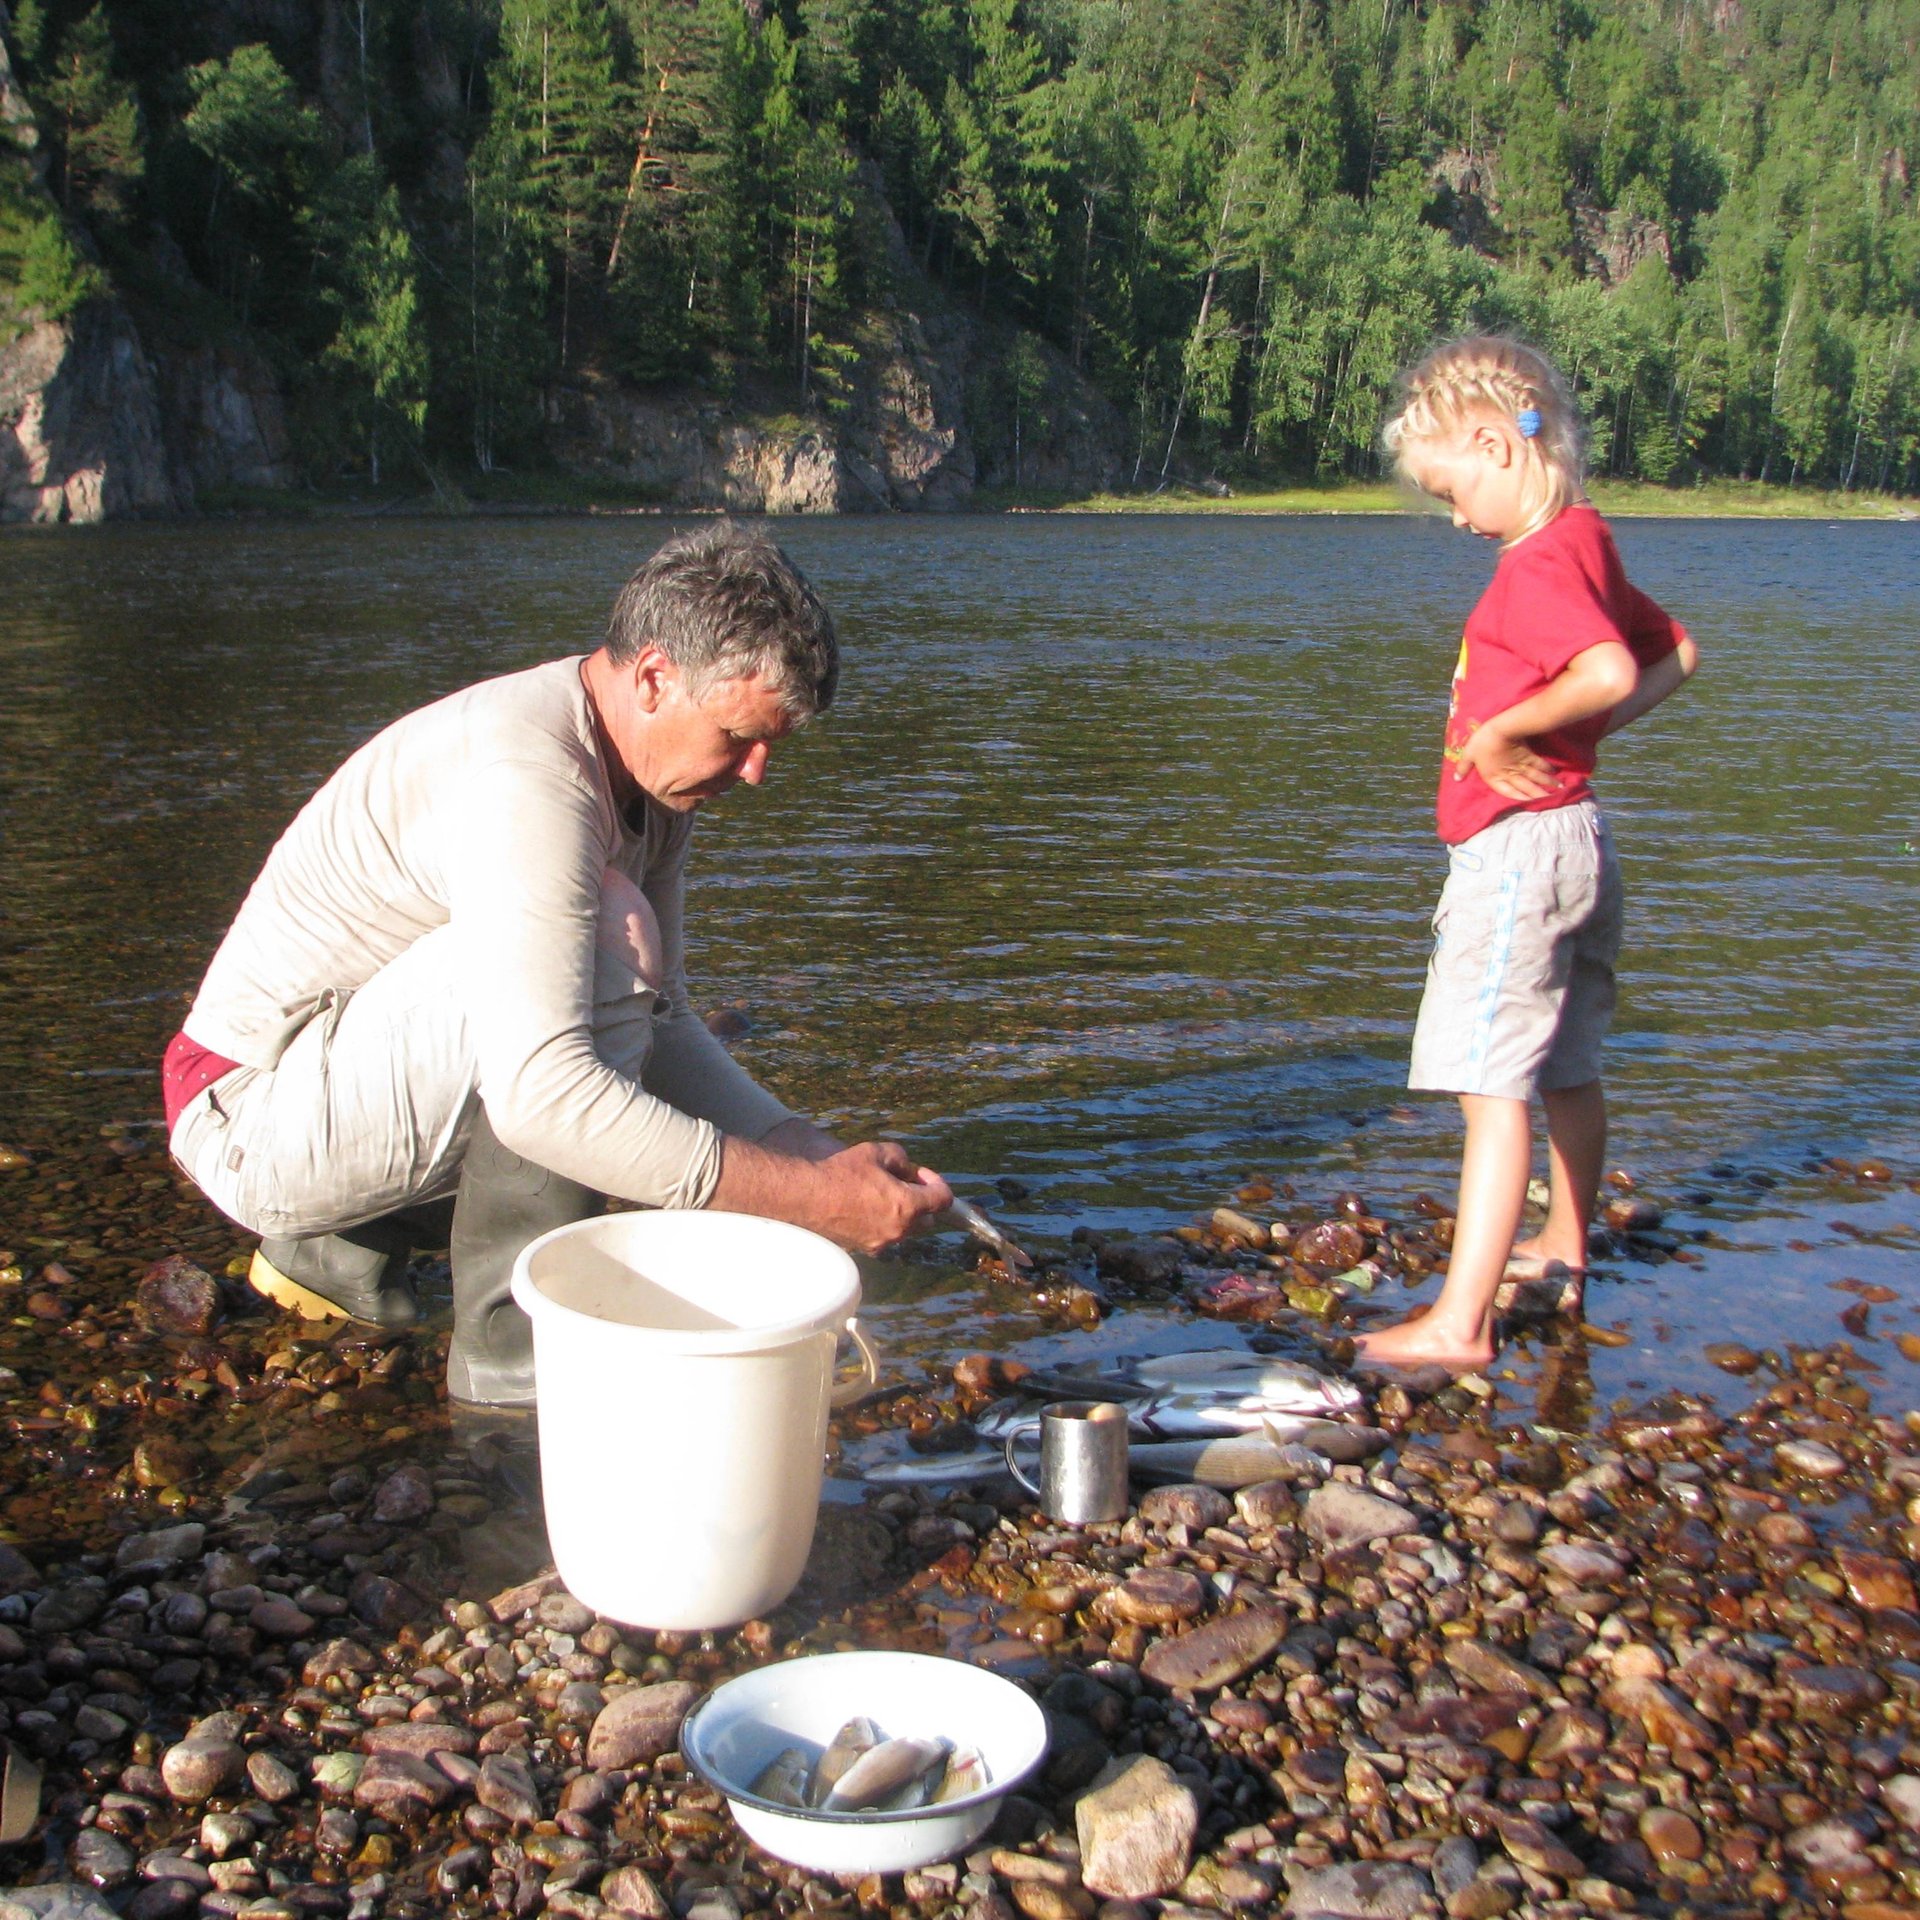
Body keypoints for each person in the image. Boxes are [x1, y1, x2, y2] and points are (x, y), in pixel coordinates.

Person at [162, 521, 952, 1406]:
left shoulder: (657, 777)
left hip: (328, 1085)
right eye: (739, 736)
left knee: (611, 996)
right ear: (655, 677)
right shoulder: (531, 775)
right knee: (605, 959)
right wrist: (805, 1204)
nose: (757, 772)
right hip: (249, 1111)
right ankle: (510, 1355)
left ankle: (342, 1247)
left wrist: (806, 1153)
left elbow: (664, 1023)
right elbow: (544, 1097)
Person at [1355, 336, 1699, 1371]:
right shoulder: (1588, 539)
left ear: (1498, 446)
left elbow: (1602, 667)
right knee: (1565, 1065)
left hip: (1514, 858)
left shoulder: (1538, 565)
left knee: (1488, 1084)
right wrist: (1572, 742)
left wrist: (1509, 736)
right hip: (1578, 838)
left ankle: (1459, 1325)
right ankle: (1564, 1241)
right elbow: (1674, 652)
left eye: (1455, 490)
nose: (1457, 517)